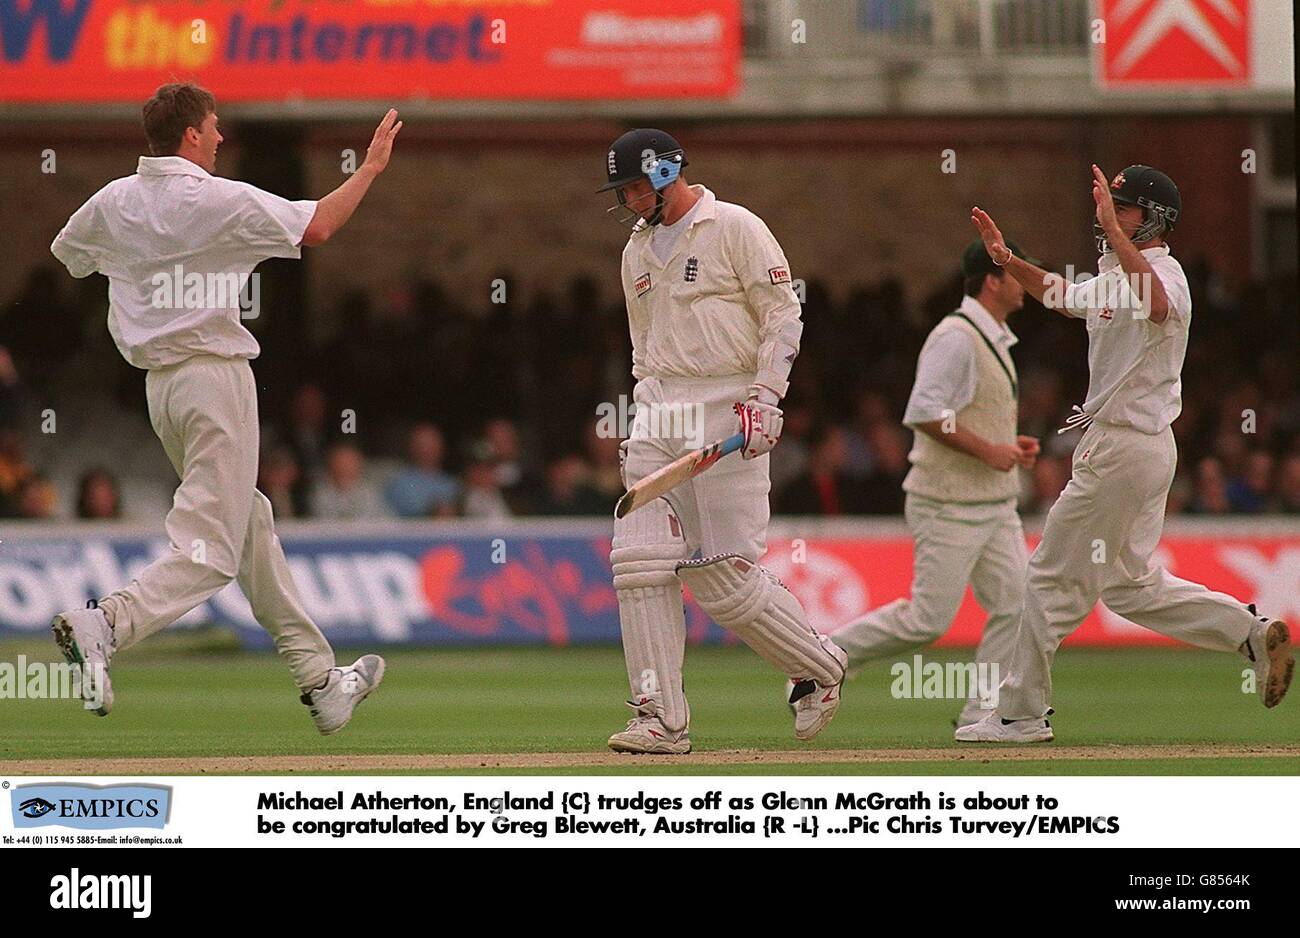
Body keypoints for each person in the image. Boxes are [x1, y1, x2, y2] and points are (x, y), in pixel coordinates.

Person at [48, 82, 400, 734]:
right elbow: (318, 223)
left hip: (160, 391)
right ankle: (106, 624)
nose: (219, 138)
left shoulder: (114, 200)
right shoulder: (218, 198)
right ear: (190, 134)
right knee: (211, 549)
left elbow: (68, 258)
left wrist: (141, 267)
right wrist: (371, 170)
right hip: (213, 379)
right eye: (212, 127)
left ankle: (322, 682)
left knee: (249, 524)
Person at [958, 164, 1293, 742]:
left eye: (1123, 209)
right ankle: (1248, 633)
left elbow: (1159, 304)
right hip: (1133, 450)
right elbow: (1062, 297)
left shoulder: (1166, 274)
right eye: (1108, 207)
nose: (1106, 217)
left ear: (1153, 219)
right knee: (1129, 586)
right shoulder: (1115, 273)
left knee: (1045, 579)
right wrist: (1008, 261)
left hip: (1124, 447)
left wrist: (1115, 234)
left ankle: (1020, 715)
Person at [600, 128, 847, 754]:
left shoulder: (735, 225)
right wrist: (642, 416)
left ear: (663, 176)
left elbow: (782, 314)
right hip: (661, 412)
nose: (627, 200)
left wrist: (767, 396)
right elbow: (642, 348)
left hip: (728, 406)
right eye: (622, 190)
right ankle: (659, 717)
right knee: (638, 562)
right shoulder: (635, 251)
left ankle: (818, 666)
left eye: (633, 186)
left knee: (724, 577)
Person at [829, 240, 1039, 727]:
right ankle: (822, 658)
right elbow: (924, 413)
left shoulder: (994, 337)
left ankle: (986, 711)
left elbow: (962, 414)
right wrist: (990, 451)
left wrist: (1005, 443)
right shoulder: (956, 336)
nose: (1026, 283)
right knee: (928, 620)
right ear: (992, 280)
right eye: (1015, 273)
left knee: (1019, 603)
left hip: (992, 503)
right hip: (947, 503)